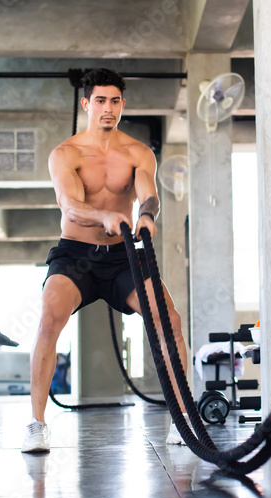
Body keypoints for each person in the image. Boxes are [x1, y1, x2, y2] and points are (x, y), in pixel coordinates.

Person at [23, 68, 189, 453]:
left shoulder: (137, 152)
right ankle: (36, 424)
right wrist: (104, 217)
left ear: (122, 105)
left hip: (123, 256)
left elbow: (149, 195)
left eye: (115, 101)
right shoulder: (65, 154)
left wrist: (146, 216)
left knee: (170, 321)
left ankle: (182, 418)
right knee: (49, 318)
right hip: (76, 254)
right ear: (86, 104)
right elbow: (70, 206)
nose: (108, 108)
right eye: (100, 100)